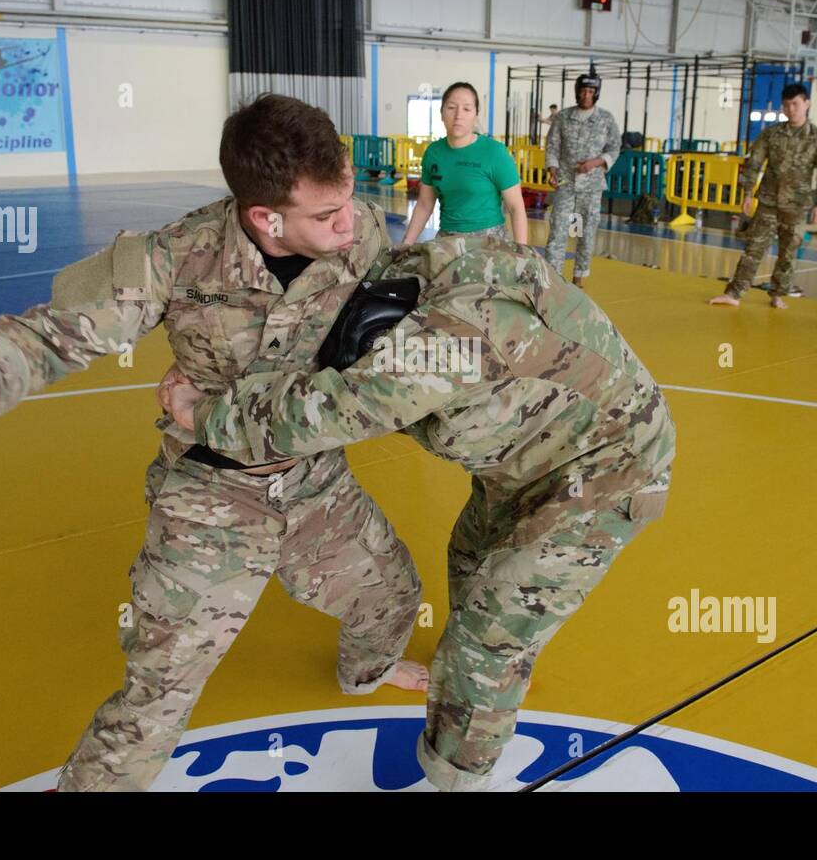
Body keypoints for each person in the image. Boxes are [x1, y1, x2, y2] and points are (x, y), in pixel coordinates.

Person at [0, 95, 428, 792]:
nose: (349, 224)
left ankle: (366, 673)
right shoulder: (175, 257)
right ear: (265, 216)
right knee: (157, 695)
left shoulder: (363, 227)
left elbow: (424, 293)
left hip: (317, 482)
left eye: (348, 200)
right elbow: (61, 330)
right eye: (326, 215)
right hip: (213, 497)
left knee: (397, 593)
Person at [164, 232, 675, 791]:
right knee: (472, 557)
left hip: (609, 468)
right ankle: (498, 668)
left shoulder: (438, 349)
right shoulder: (408, 274)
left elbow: (319, 417)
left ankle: (461, 775)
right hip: (536, 451)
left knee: (489, 629)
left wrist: (207, 413)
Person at [708, 83, 817, 310]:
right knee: (753, 249)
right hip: (768, 201)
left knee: (788, 253)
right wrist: (747, 193)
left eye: (795, 104)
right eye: (786, 105)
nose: (791, 109)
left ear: (807, 103)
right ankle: (734, 293)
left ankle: (778, 293)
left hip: (796, 205)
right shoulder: (771, 134)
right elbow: (754, 163)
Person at [400, 82, 527, 250]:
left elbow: (516, 207)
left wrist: (522, 253)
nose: (458, 115)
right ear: (442, 113)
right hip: (447, 240)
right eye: (451, 107)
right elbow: (425, 204)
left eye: (467, 109)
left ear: (475, 115)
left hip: (489, 242)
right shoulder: (434, 153)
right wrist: (406, 244)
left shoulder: (495, 153)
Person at [544, 72, 621, 287]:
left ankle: (578, 278)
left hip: (591, 187)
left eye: (591, 91)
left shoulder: (606, 119)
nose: (586, 95)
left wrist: (595, 163)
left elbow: (615, 148)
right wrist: (552, 170)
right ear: (576, 92)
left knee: (585, 234)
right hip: (565, 184)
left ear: (596, 94)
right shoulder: (562, 117)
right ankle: (554, 279)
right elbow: (552, 146)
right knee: (559, 229)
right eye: (583, 91)